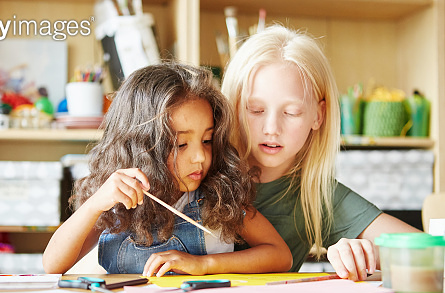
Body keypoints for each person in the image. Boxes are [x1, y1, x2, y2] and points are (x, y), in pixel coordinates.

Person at [43, 63, 292, 277]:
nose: (200, 157)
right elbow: (53, 266)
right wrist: (95, 203)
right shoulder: (116, 203)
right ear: (141, 147)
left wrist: (204, 264)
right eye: (181, 144)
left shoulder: (219, 198)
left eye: (207, 140)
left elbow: (280, 256)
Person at [221, 25, 420, 281]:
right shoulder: (200, 169)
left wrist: (359, 251)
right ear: (233, 107)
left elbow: (428, 252)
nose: (271, 129)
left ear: (318, 115)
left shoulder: (316, 195)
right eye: (255, 110)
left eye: (292, 113)